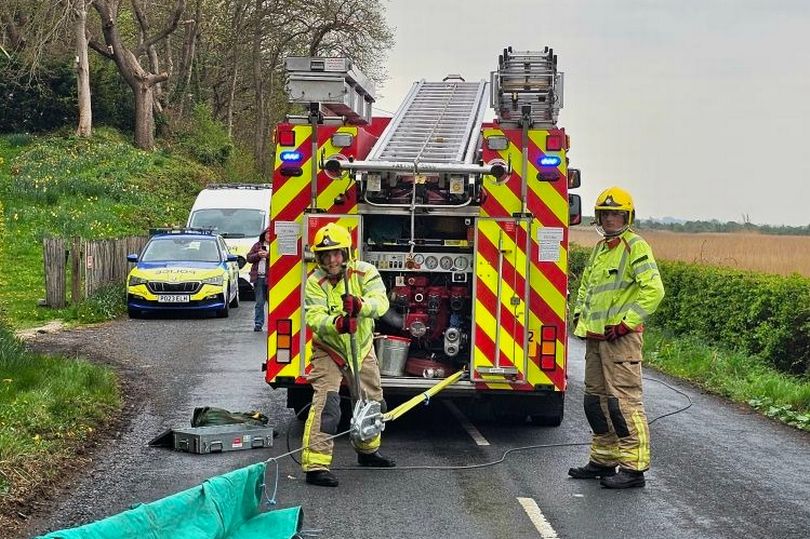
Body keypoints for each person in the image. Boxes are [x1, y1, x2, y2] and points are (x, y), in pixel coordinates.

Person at [568, 186, 665, 489]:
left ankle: (634, 469)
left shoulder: (635, 246)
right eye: (605, 214)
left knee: (623, 403)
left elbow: (654, 290)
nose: (610, 219)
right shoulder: (600, 248)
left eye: (616, 214)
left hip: (620, 339)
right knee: (595, 402)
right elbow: (587, 287)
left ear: (627, 216)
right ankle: (603, 459)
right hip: (597, 338)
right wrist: (579, 315)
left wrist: (626, 323)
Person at [301, 222, 395, 487]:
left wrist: (361, 306)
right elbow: (315, 318)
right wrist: (338, 324)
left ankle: (368, 451)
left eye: (337, 253)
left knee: (372, 400)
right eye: (326, 255)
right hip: (329, 349)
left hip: (361, 347)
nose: (332, 260)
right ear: (319, 257)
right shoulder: (314, 282)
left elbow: (381, 302)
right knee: (327, 403)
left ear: (347, 253)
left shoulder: (366, 273)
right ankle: (315, 465)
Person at [246, 227, 270, 331]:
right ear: (264, 235)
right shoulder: (257, 245)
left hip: (272, 279)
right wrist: (258, 255)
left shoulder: (277, 245)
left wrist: (268, 255)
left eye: (271, 234)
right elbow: (249, 258)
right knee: (259, 303)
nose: (269, 236)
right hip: (259, 278)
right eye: (267, 234)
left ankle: (273, 324)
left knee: (273, 303)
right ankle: (258, 324)